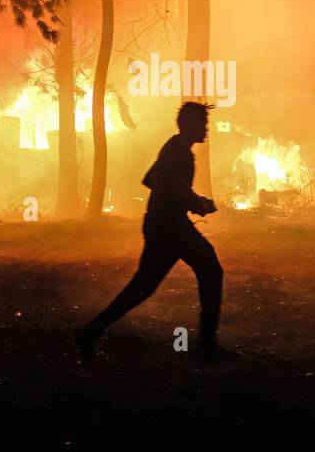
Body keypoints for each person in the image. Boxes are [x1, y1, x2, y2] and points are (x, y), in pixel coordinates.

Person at [76, 101, 238, 364]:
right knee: (208, 269)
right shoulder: (178, 151)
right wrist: (195, 202)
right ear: (189, 125)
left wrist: (190, 198)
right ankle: (206, 345)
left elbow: (152, 179)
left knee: (144, 286)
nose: (207, 129)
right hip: (170, 226)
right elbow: (167, 184)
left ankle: (90, 332)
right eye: (202, 124)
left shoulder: (176, 148)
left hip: (165, 224)